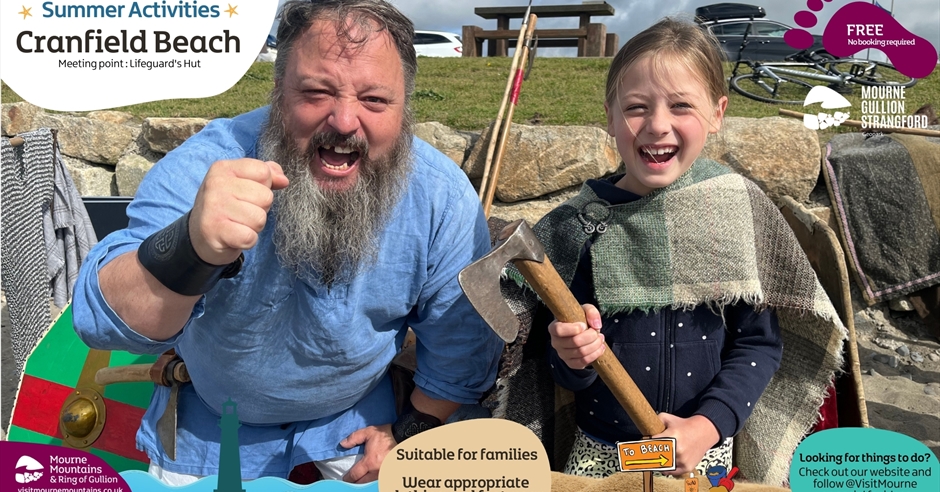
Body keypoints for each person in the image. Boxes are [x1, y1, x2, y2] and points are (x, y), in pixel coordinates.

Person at [72, 0, 502, 485]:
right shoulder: (206, 166)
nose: (344, 121)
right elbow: (102, 321)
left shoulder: (438, 194)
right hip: (212, 426)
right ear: (278, 92)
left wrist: (413, 428)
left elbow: (461, 340)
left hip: (358, 425)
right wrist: (190, 248)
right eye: (316, 92)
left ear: (406, 107)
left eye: (375, 101)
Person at [498, 18, 839, 480]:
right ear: (610, 115)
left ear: (718, 113)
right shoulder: (577, 228)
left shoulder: (735, 211)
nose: (658, 125)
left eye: (682, 105)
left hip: (702, 455)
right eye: (636, 107)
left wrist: (705, 426)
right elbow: (556, 367)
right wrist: (570, 357)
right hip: (602, 455)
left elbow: (758, 345)